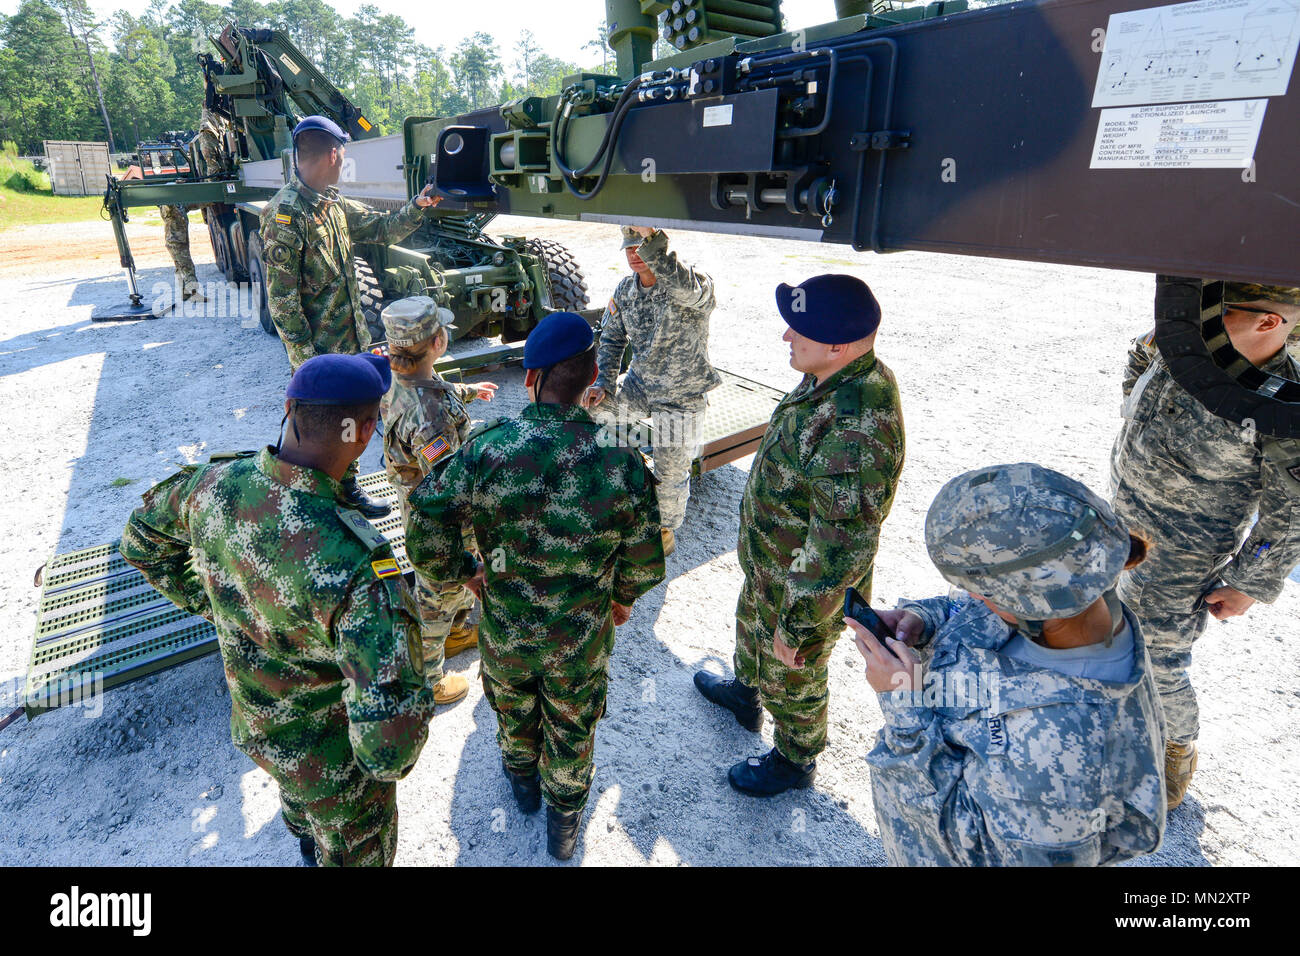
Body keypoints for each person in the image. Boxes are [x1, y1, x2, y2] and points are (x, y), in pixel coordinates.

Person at [119, 353, 436, 866]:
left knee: (299, 805)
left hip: (258, 728)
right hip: (336, 770)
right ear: (367, 431)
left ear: (289, 407)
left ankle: (305, 840)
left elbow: (140, 543)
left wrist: (221, 603)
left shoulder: (212, 484)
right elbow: (387, 754)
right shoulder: (358, 564)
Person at [405, 311, 666, 860]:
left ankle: (522, 783)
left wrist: (464, 575)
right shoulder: (622, 456)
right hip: (581, 635)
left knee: (513, 705)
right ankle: (564, 825)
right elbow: (645, 559)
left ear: (530, 377)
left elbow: (426, 519)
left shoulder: (487, 450)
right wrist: (617, 599)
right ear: (593, 375)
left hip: (506, 629)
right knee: (573, 722)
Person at [854, 462, 1167, 866]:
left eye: (979, 589)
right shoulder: (1070, 599)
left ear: (1026, 602)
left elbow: (965, 847)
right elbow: (970, 610)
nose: (970, 594)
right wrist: (926, 619)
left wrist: (904, 708)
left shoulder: (1063, 765)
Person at [694, 274, 905, 796]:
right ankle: (746, 692)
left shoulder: (856, 425)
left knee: (795, 671)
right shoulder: (827, 375)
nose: (786, 337)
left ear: (838, 345)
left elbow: (840, 550)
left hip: (803, 588)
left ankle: (795, 758)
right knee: (751, 626)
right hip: (772, 568)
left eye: (799, 330)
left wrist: (800, 626)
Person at [1110, 282, 1300, 809]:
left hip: (1183, 551)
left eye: (1218, 310)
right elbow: (1137, 365)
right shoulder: (1187, 349)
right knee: (1103, 624)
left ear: (1268, 323)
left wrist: (1248, 582)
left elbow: (1292, 512)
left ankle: (1174, 746)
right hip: (1123, 515)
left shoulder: (1284, 405)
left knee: (1158, 654)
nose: (1196, 319)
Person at [260, 114, 443, 518]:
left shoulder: (332, 201)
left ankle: (346, 491)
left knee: (350, 421)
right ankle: (316, 502)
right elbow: (282, 301)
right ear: (332, 153)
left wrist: (418, 205)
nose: (344, 159)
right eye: (343, 152)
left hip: (349, 340)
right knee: (320, 430)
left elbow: (381, 229)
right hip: (321, 354)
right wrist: (306, 365)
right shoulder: (287, 216)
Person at [379, 296, 498, 707]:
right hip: (438, 527)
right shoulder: (432, 419)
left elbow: (431, 390)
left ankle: (458, 631)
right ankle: (428, 680)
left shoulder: (398, 376)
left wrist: (467, 392)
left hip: (415, 503)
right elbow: (450, 491)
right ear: (438, 343)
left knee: (447, 595)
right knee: (435, 599)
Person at [583, 226, 719, 556]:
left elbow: (692, 293)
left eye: (641, 246)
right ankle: (618, 488)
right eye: (629, 248)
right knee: (591, 415)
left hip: (681, 394)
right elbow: (612, 339)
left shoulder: (688, 281)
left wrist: (655, 247)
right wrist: (602, 383)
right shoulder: (626, 291)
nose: (634, 254)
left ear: (657, 246)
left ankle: (662, 532)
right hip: (641, 387)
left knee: (670, 470)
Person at [159, 203, 205, 303]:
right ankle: (194, 294)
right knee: (187, 266)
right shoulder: (167, 206)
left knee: (180, 267)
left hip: (179, 241)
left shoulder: (177, 204)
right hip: (176, 243)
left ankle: (185, 293)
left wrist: (206, 202)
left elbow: (191, 205)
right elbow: (169, 206)